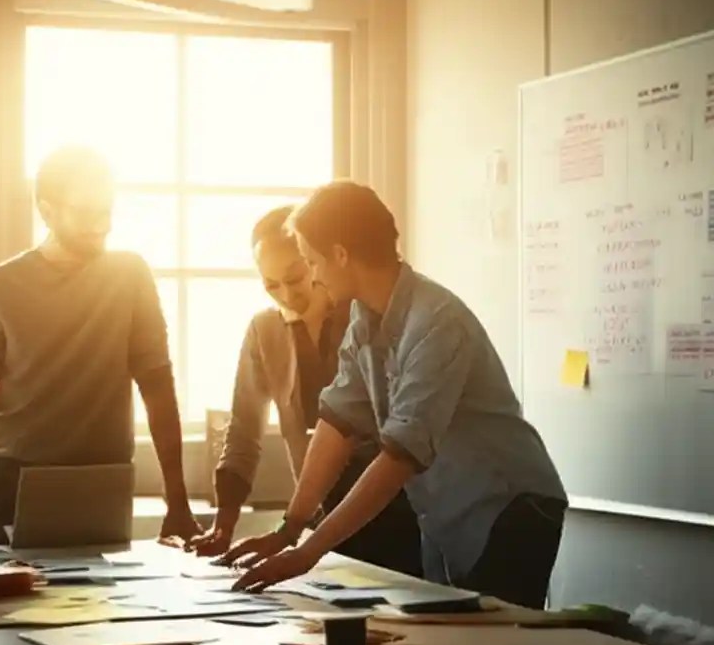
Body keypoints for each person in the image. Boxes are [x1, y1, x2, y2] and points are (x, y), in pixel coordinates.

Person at [223, 181, 569, 609]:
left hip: (508, 508)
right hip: (450, 513)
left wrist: (308, 554)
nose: (313, 276)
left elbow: (399, 456)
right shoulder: (365, 319)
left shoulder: (436, 323)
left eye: (312, 261)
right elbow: (337, 422)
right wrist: (289, 529)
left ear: (341, 255)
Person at [0, 145, 201, 549]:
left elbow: (157, 385)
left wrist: (178, 500)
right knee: (7, 610)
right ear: (47, 211)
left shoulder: (130, 275)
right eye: (86, 213)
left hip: (105, 478)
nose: (101, 225)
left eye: (107, 211)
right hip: (18, 481)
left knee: (102, 609)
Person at [184, 206, 422, 577]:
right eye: (270, 285)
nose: (285, 294)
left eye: (294, 278)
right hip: (316, 514)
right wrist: (223, 526)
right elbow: (244, 431)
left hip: (394, 508)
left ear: (316, 261)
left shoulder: (364, 317)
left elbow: (400, 435)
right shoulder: (264, 331)